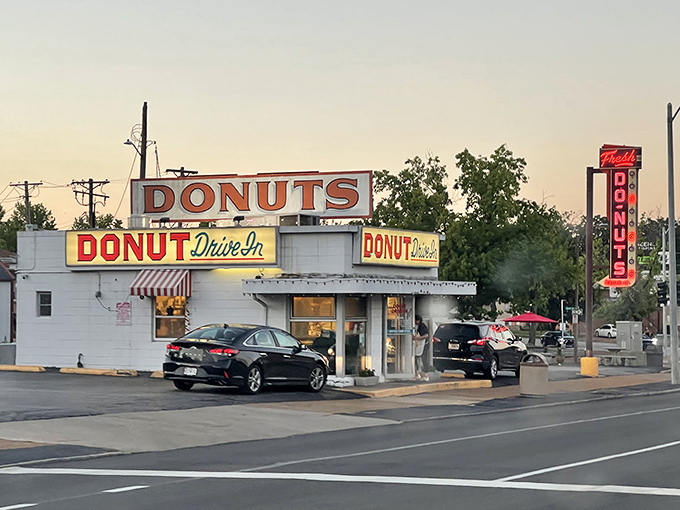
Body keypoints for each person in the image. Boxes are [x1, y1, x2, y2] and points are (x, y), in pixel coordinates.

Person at [413, 314, 429, 381]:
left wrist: (418, 338)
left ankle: (425, 375)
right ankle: (417, 374)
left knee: (423, 358)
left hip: (423, 344)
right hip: (419, 344)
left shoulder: (421, 326)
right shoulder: (416, 326)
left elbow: (426, 335)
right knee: (416, 358)